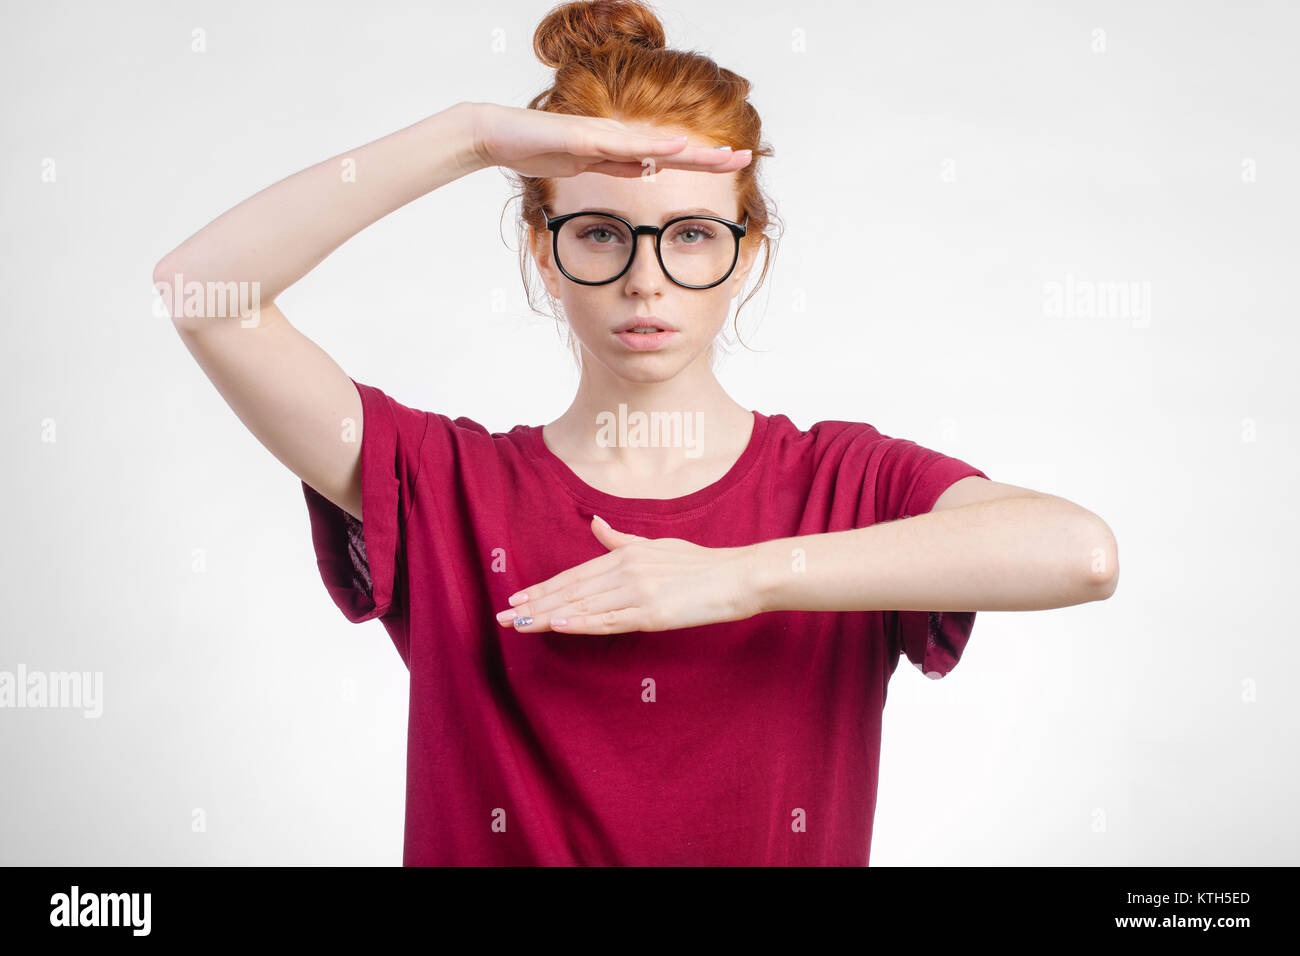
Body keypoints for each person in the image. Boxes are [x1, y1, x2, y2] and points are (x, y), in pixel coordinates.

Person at [153, 0, 1119, 866]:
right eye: (602, 231)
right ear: (545, 250)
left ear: (749, 255)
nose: (646, 278)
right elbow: (203, 291)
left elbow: (1079, 555)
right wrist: (471, 137)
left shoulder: (845, 486)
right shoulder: (444, 482)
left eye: (691, 233)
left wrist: (736, 575)